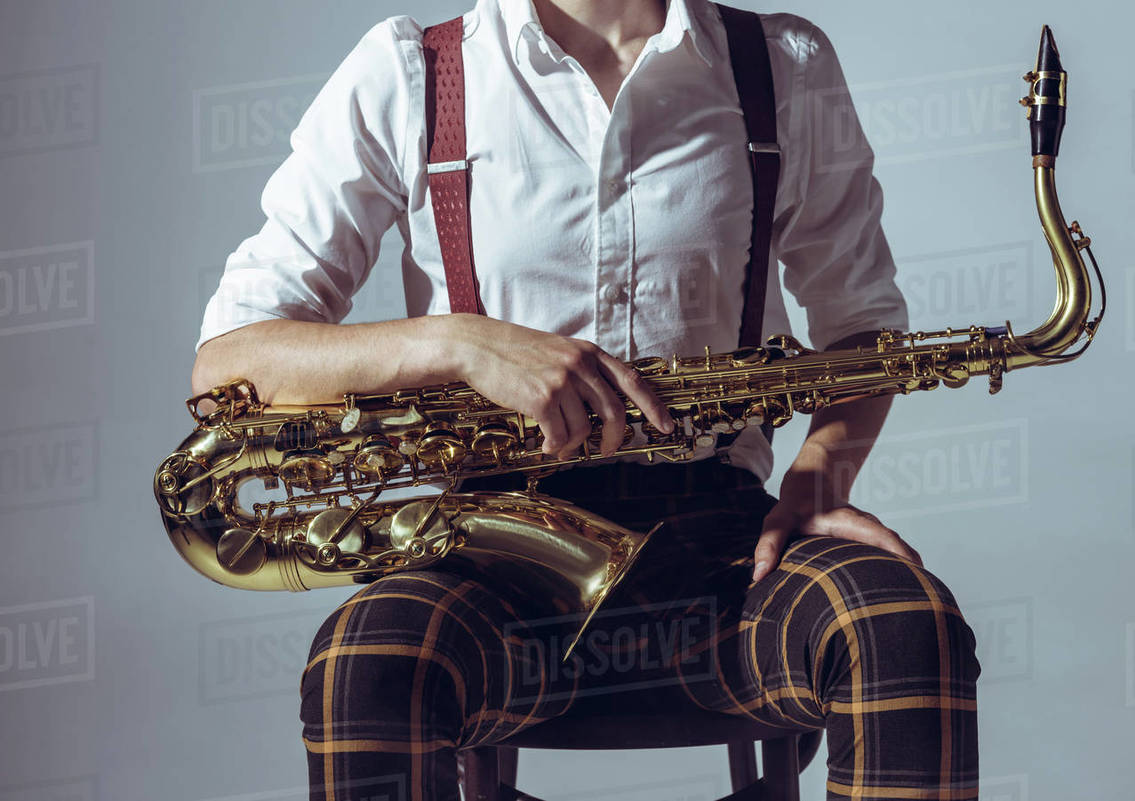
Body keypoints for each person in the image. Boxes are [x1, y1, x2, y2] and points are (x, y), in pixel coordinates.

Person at [191, 0, 982, 798]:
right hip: (496, 558)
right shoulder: (412, 73)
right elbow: (232, 363)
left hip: (729, 557)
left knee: (902, 626)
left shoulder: (781, 62)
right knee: (366, 663)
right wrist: (461, 343)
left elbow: (864, 325)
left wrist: (821, 476)